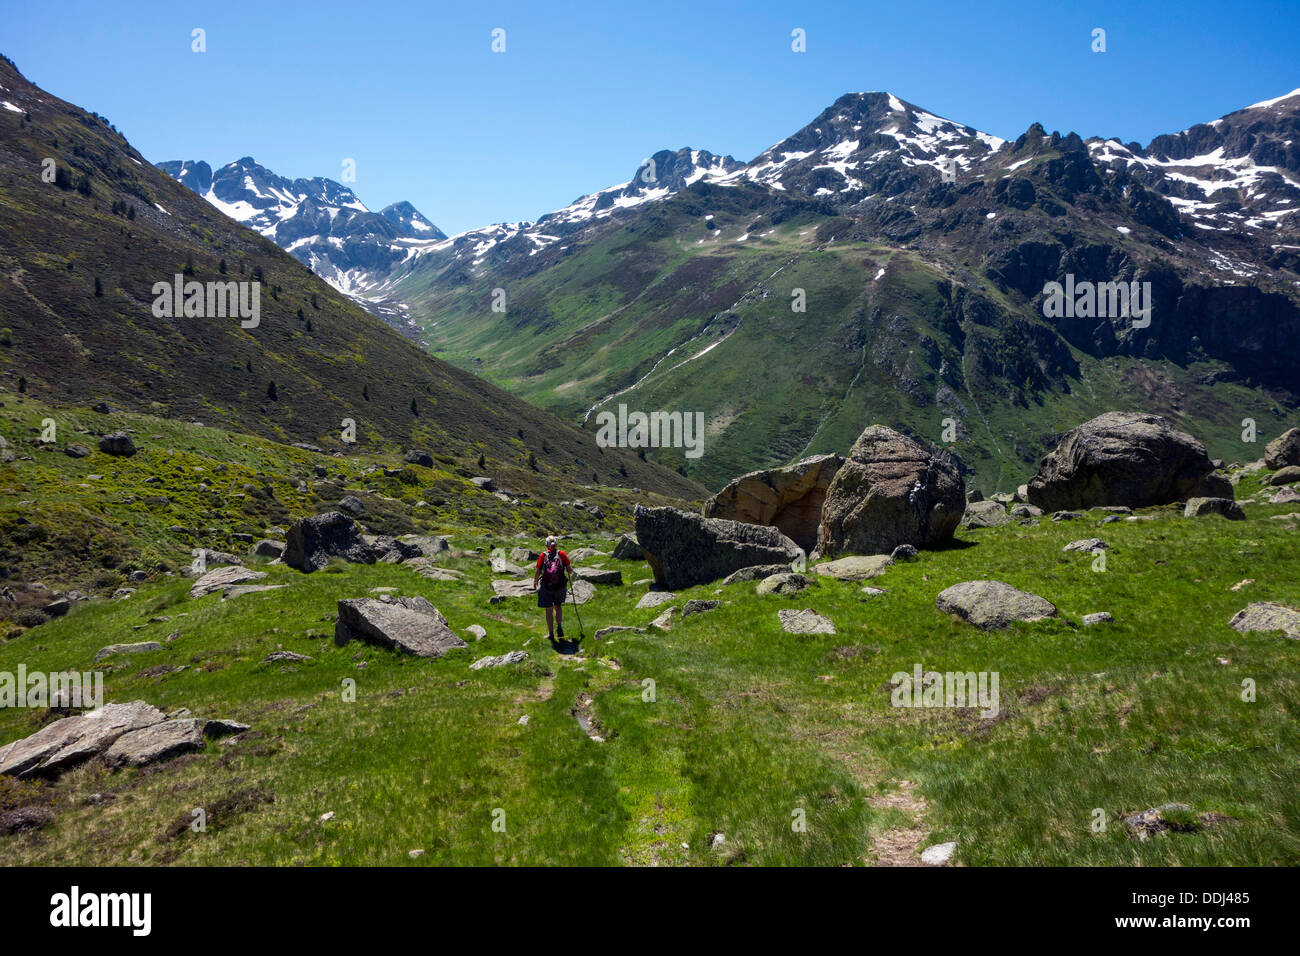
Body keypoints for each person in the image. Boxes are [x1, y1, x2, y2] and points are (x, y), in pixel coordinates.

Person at [532, 536, 572, 639]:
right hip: (560, 586)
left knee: (548, 609)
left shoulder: (543, 555)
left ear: (546, 545)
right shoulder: (562, 554)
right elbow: (569, 570)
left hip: (547, 586)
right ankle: (559, 626)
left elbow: (538, 570)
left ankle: (551, 633)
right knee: (558, 606)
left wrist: (535, 581)